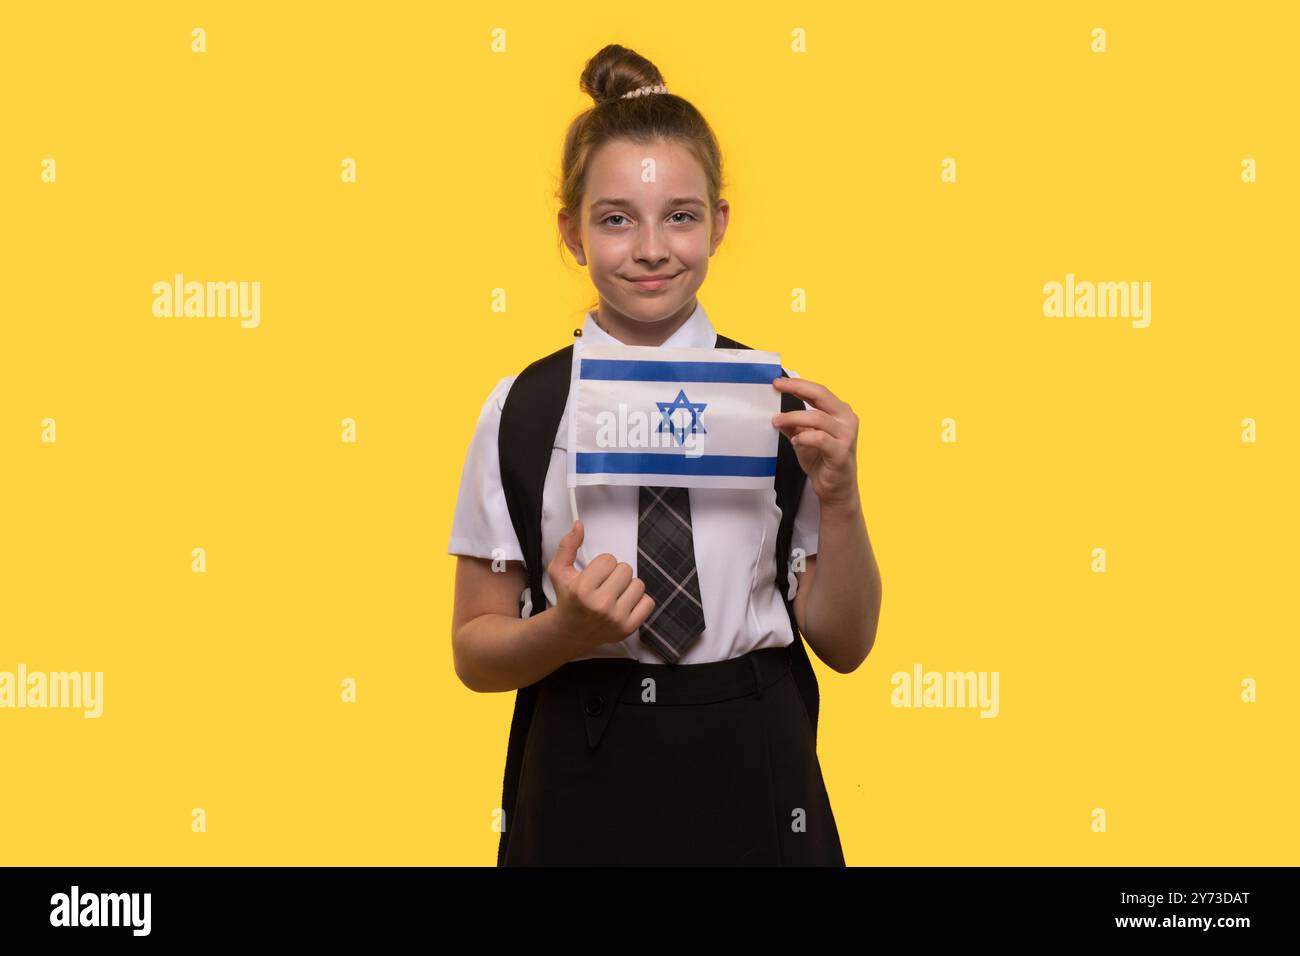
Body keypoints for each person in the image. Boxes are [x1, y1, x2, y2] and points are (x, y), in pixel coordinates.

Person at [448, 43, 882, 865]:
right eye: (616, 218)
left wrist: (845, 498)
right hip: (583, 758)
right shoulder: (523, 409)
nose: (651, 247)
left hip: (756, 757)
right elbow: (475, 646)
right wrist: (565, 631)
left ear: (719, 224)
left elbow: (847, 645)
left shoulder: (782, 406)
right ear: (572, 235)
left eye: (680, 215)